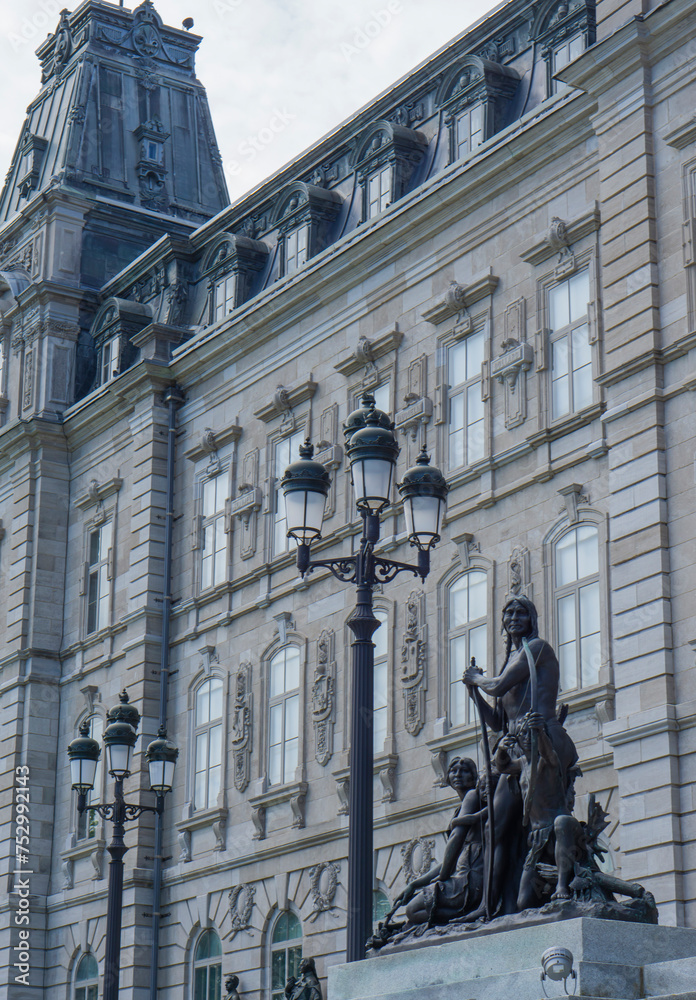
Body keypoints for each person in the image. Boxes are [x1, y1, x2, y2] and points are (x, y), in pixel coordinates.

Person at [494, 711, 584, 910]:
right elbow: (503, 766)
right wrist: (501, 749)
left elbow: (549, 753)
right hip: (537, 837)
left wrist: (540, 732)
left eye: (530, 733)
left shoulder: (548, 761)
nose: (526, 738)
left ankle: (562, 885)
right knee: (523, 902)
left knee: (562, 821)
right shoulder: (522, 764)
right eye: (523, 734)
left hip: (559, 831)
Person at [391, 757, 488, 925]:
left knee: (413, 911)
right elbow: (448, 861)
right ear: (448, 777)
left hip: (470, 880)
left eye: (464, 771)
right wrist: (415, 884)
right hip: (465, 876)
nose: (457, 774)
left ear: (473, 777)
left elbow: (456, 839)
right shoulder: (463, 806)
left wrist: (443, 877)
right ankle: (462, 915)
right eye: (453, 770)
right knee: (414, 915)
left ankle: (466, 913)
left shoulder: (472, 796)